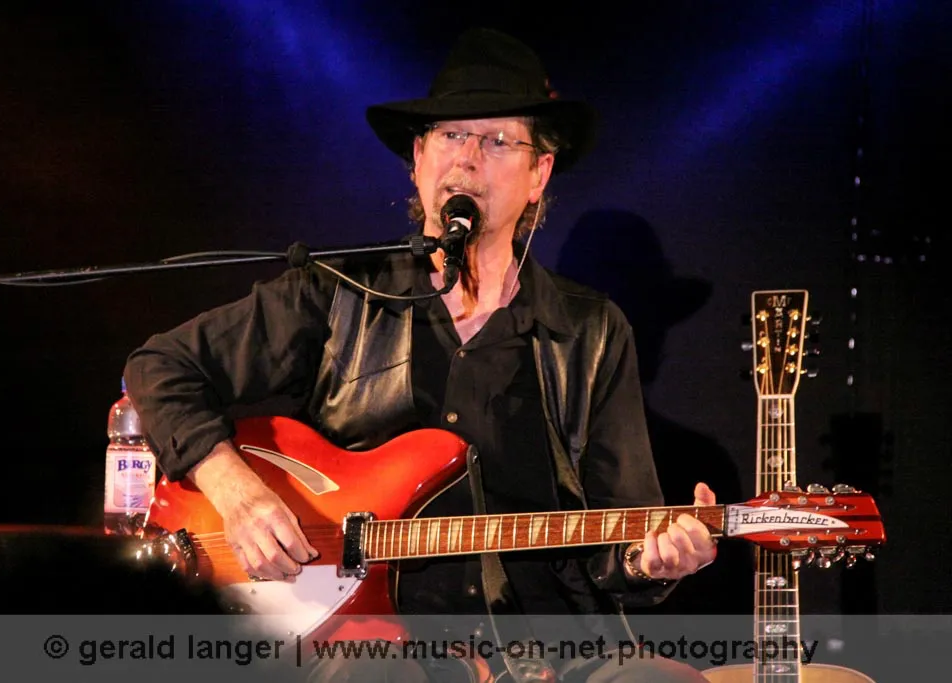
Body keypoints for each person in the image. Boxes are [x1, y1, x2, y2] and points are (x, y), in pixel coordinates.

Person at [124, 27, 718, 682]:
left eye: (496, 141)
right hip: (366, 644)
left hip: (545, 654)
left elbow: (621, 542)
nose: (466, 158)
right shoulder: (339, 291)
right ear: (418, 157)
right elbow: (160, 367)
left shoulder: (592, 332)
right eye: (450, 136)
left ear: (538, 174)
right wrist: (236, 493)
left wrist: (653, 560)